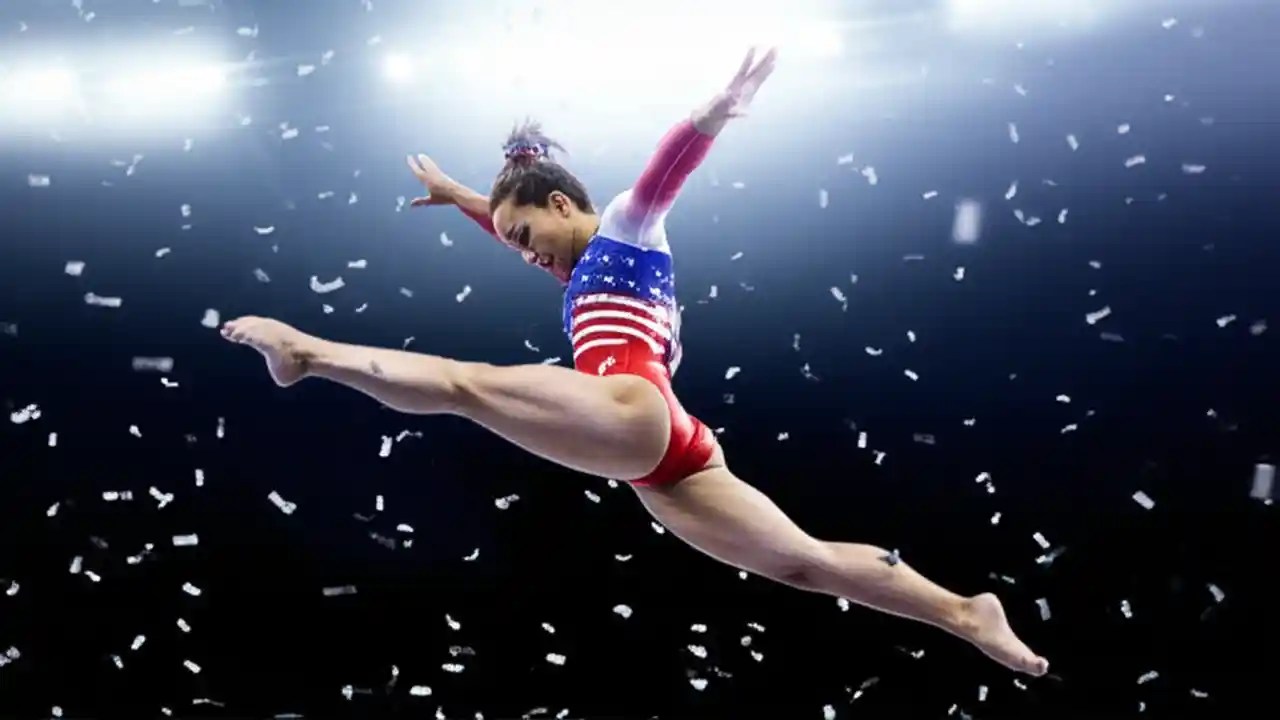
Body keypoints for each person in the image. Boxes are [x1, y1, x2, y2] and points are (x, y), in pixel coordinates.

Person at [222, 48, 1048, 676]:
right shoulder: (583, 265)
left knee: (468, 386)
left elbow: (662, 176)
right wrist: (467, 199)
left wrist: (711, 116)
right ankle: (964, 613)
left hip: (631, 408)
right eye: (513, 246)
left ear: (563, 203)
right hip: (673, 457)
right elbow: (519, 228)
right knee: (804, 562)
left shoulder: (626, 225)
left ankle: (307, 352)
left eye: (527, 237)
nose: (525, 255)